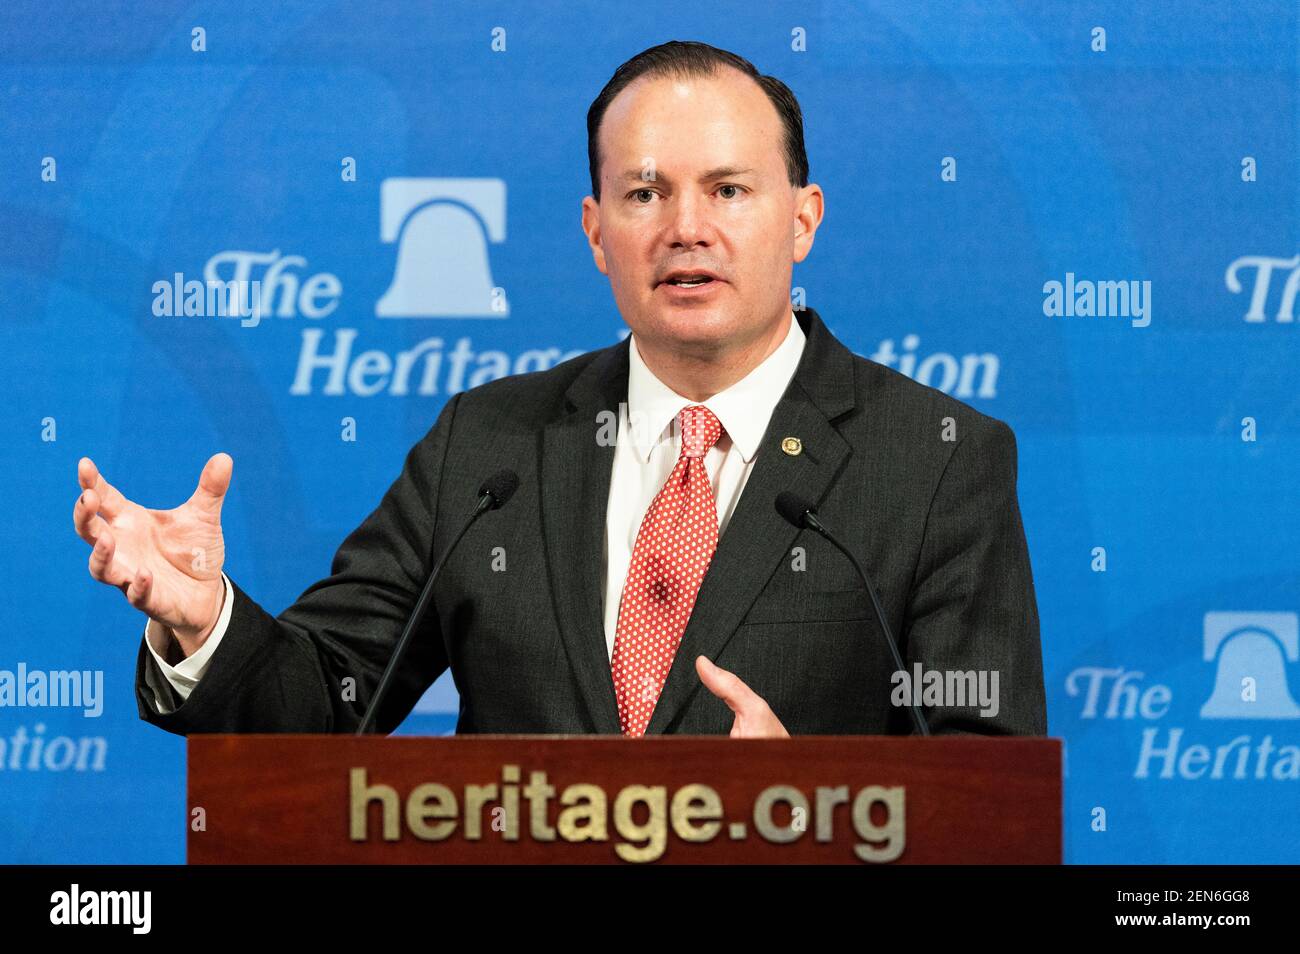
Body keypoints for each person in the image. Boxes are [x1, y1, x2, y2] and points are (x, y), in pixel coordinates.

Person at [73, 41, 1046, 738]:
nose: (685, 228)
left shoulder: (933, 462)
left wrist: (817, 819)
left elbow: (987, 804)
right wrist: (203, 623)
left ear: (802, 219)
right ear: (594, 231)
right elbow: (327, 706)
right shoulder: (490, 446)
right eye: (644, 193)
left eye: (729, 190)